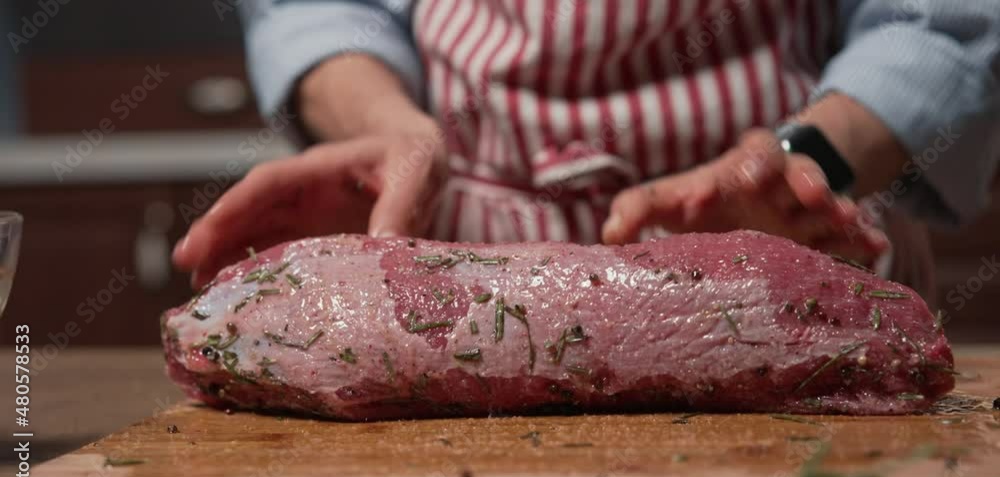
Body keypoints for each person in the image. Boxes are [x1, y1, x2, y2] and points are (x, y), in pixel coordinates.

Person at [173, 0, 999, 300]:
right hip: (459, 257)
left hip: (777, 245)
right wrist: (386, 126)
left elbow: (940, 18)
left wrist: (805, 158)